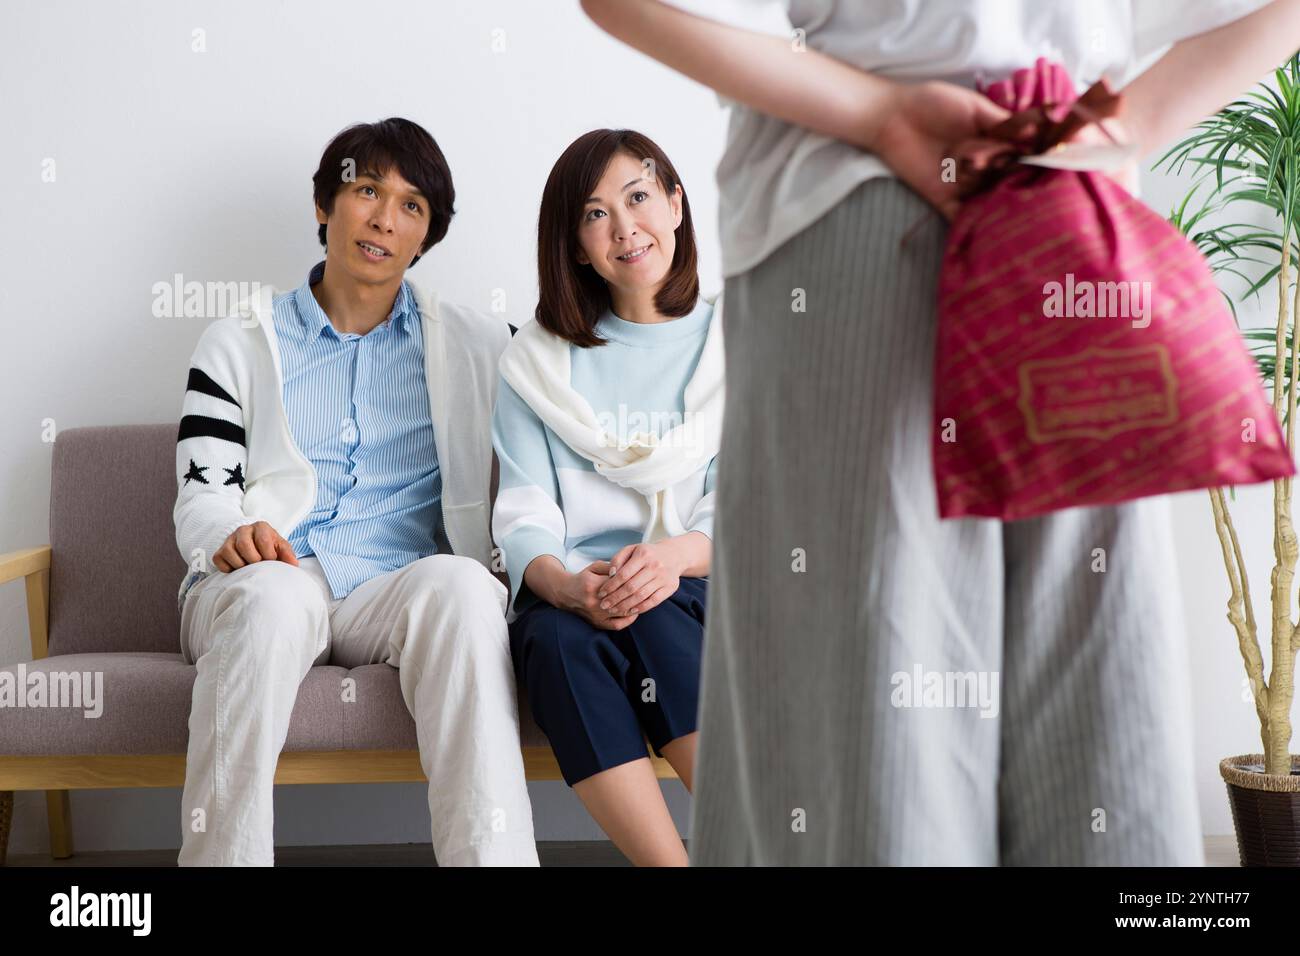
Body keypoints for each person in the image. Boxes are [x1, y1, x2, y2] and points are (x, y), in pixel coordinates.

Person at [580, 0, 1300, 864]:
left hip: (851, 220)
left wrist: (883, 114)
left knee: (875, 718)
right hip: (1072, 225)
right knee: (1096, 707)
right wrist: (1117, 132)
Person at [172, 117, 538, 866]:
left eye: (412, 206)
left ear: (426, 236)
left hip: (393, 589)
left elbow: (578, 382)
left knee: (467, 589)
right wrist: (227, 535)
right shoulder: (239, 341)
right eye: (367, 190)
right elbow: (201, 488)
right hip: (267, 577)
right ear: (323, 205)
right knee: (273, 598)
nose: (384, 218)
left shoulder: (477, 343)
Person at [491, 129, 721, 866]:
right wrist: (563, 585)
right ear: (576, 244)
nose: (624, 228)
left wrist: (666, 561)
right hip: (577, 596)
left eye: (639, 197)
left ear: (676, 205)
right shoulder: (537, 362)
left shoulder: (736, 339)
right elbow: (524, 512)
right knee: (555, 642)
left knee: (651, 609)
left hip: (701, 583)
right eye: (595, 214)